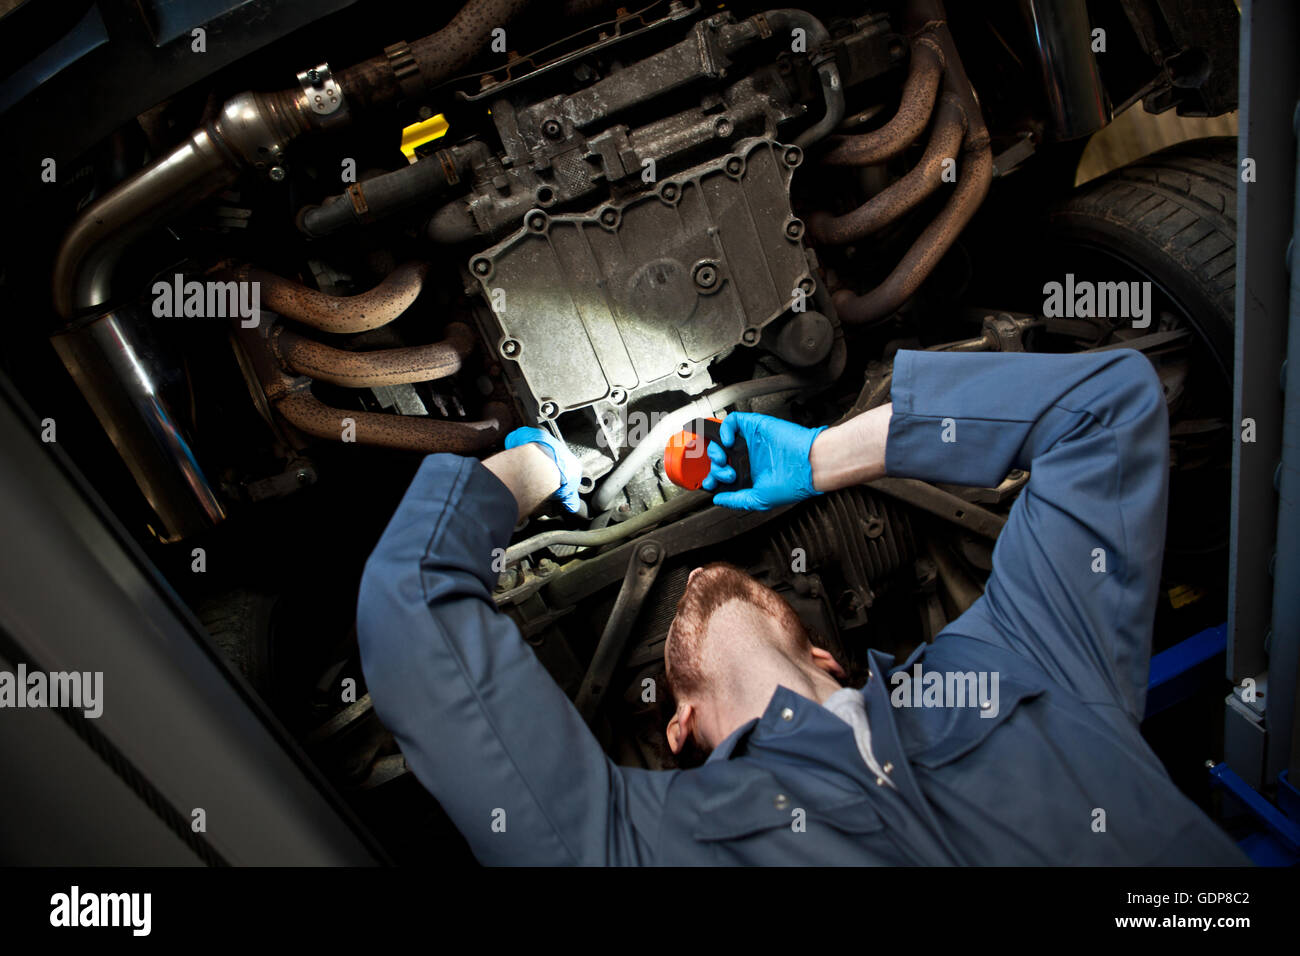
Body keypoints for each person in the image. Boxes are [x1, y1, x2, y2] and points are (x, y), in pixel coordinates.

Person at [357, 349, 1248, 865]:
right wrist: (537, 470)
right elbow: (407, 603)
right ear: (679, 730)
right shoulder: (637, 844)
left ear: (831, 653)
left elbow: (1105, 406)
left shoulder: (1030, 650)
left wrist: (828, 456)